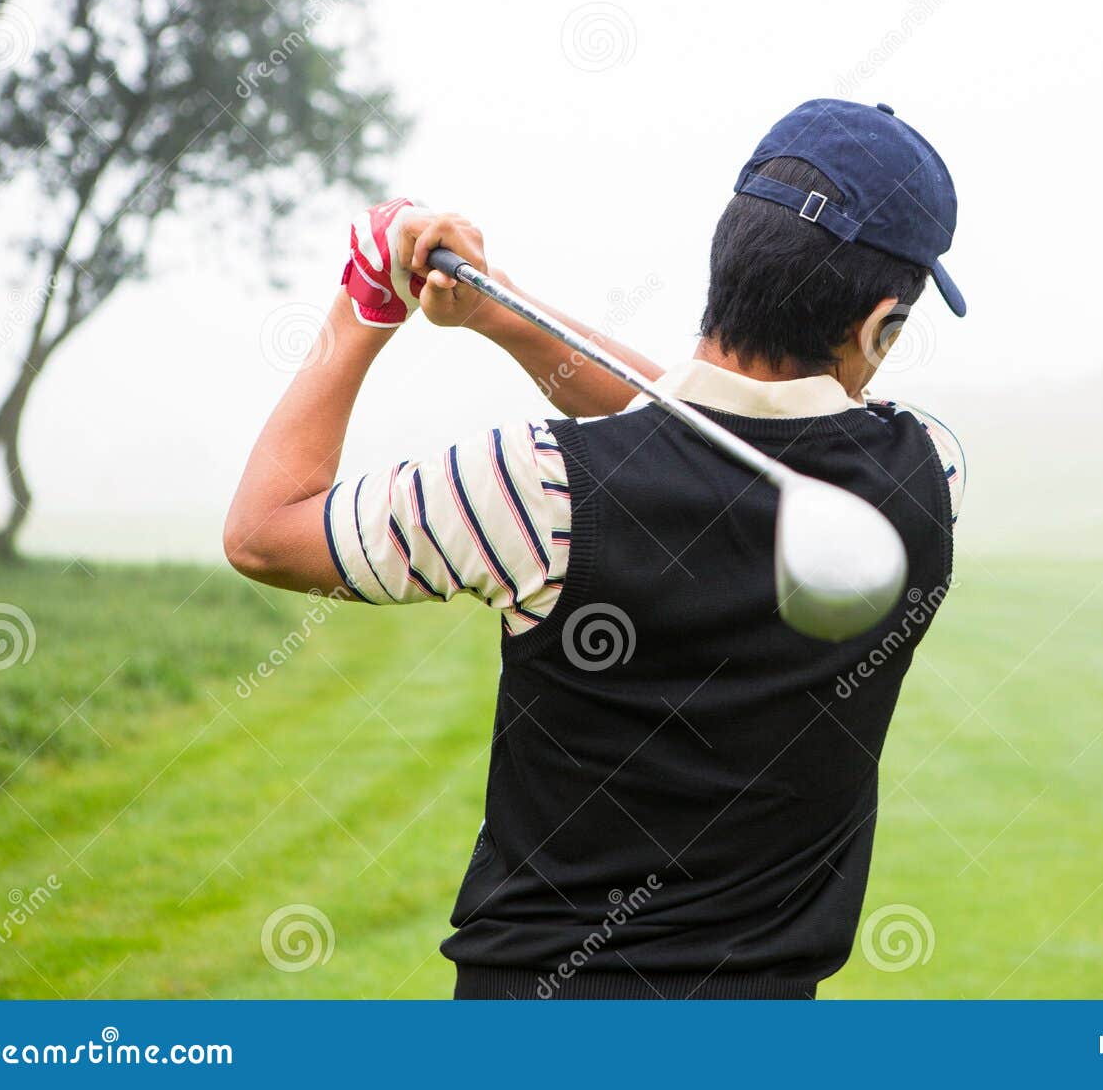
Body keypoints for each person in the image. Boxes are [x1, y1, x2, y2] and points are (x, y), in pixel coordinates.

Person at [225, 98, 967, 999]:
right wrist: (496, 312)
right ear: (878, 323)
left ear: (729, 252)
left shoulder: (528, 488)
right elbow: (698, 420)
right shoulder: (928, 475)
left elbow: (265, 534)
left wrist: (365, 303)